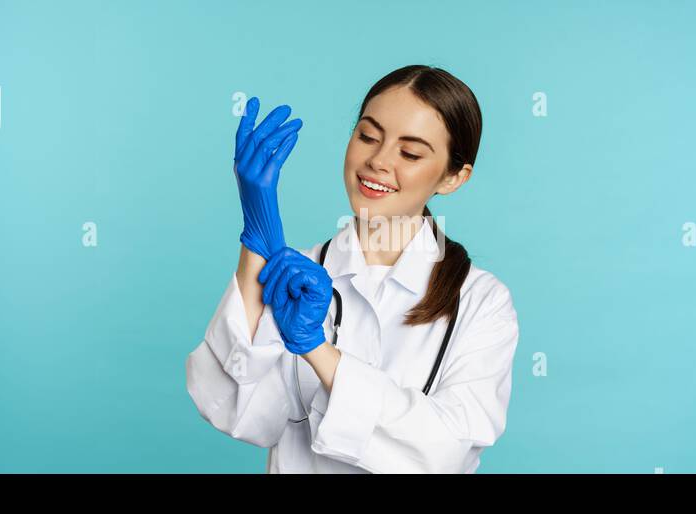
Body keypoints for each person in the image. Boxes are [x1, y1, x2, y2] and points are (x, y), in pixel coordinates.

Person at [185, 65, 519, 473]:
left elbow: (444, 453)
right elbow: (236, 412)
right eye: (368, 136)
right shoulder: (296, 276)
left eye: (410, 153)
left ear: (453, 178)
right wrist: (256, 242)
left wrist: (316, 349)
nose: (378, 160)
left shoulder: (482, 302)